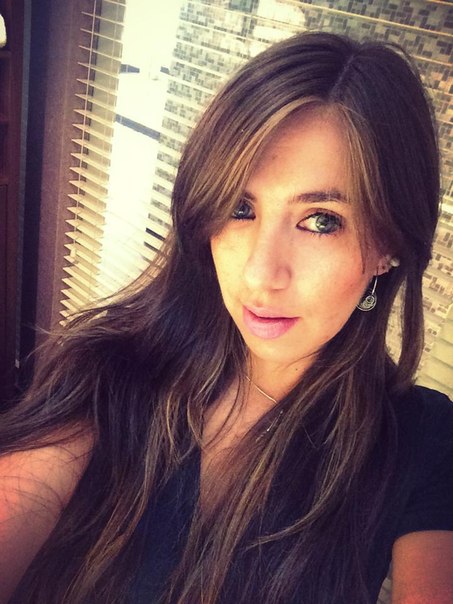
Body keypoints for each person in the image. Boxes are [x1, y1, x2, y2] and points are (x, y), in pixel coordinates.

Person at [1, 31, 452, 604]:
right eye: (240, 209)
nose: (261, 274)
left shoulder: (420, 440)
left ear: (389, 245)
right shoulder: (110, 371)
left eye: (321, 220)